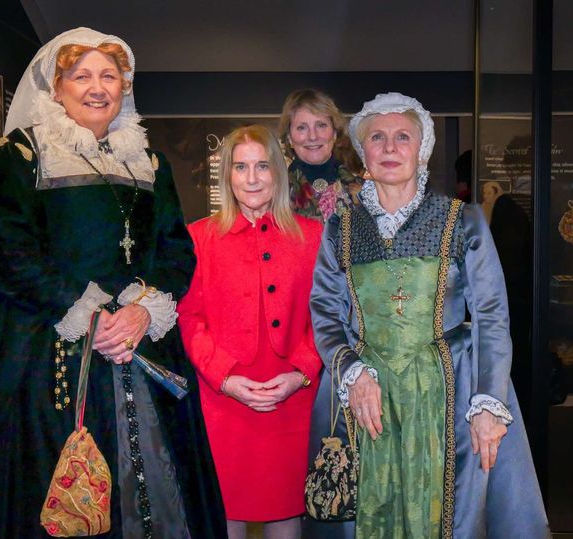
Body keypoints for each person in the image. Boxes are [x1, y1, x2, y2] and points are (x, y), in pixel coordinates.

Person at [0, 27, 224, 538]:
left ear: (125, 85)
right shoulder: (20, 156)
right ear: (57, 87)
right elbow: (8, 251)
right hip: (43, 340)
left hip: (141, 338)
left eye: (109, 76)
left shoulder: (150, 161)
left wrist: (143, 309)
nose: (97, 88)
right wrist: (87, 315)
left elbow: (174, 248)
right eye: (82, 76)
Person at [306, 92, 549, 538]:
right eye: (377, 138)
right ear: (363, 151)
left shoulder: (463, 220)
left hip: (450, 393)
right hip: (366, 394)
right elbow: (323, 309)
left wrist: (489, 401)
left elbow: (492, 314)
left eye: (403, 137)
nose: (390, 147)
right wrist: (351, 372)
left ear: (422, 149)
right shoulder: (340, 227)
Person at [177, 125, 323, 539]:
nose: (252, 177)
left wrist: (300, 373)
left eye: (262, 166)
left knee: (286, 514)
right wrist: (223, 376)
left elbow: (328, 320)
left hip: (291, 401)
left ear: (277, 172)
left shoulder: (313, 237)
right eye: (240, 167)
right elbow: (190, 319)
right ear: (227, 175)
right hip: (224, 403)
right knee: (225, 515)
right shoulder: (199, 237)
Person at [278, 88, 363, 220]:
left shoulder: (366, 191)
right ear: (289, 137)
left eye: (321, 125)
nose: (313, 136)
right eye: (302, 127)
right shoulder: (274, 192)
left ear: (334, 133)